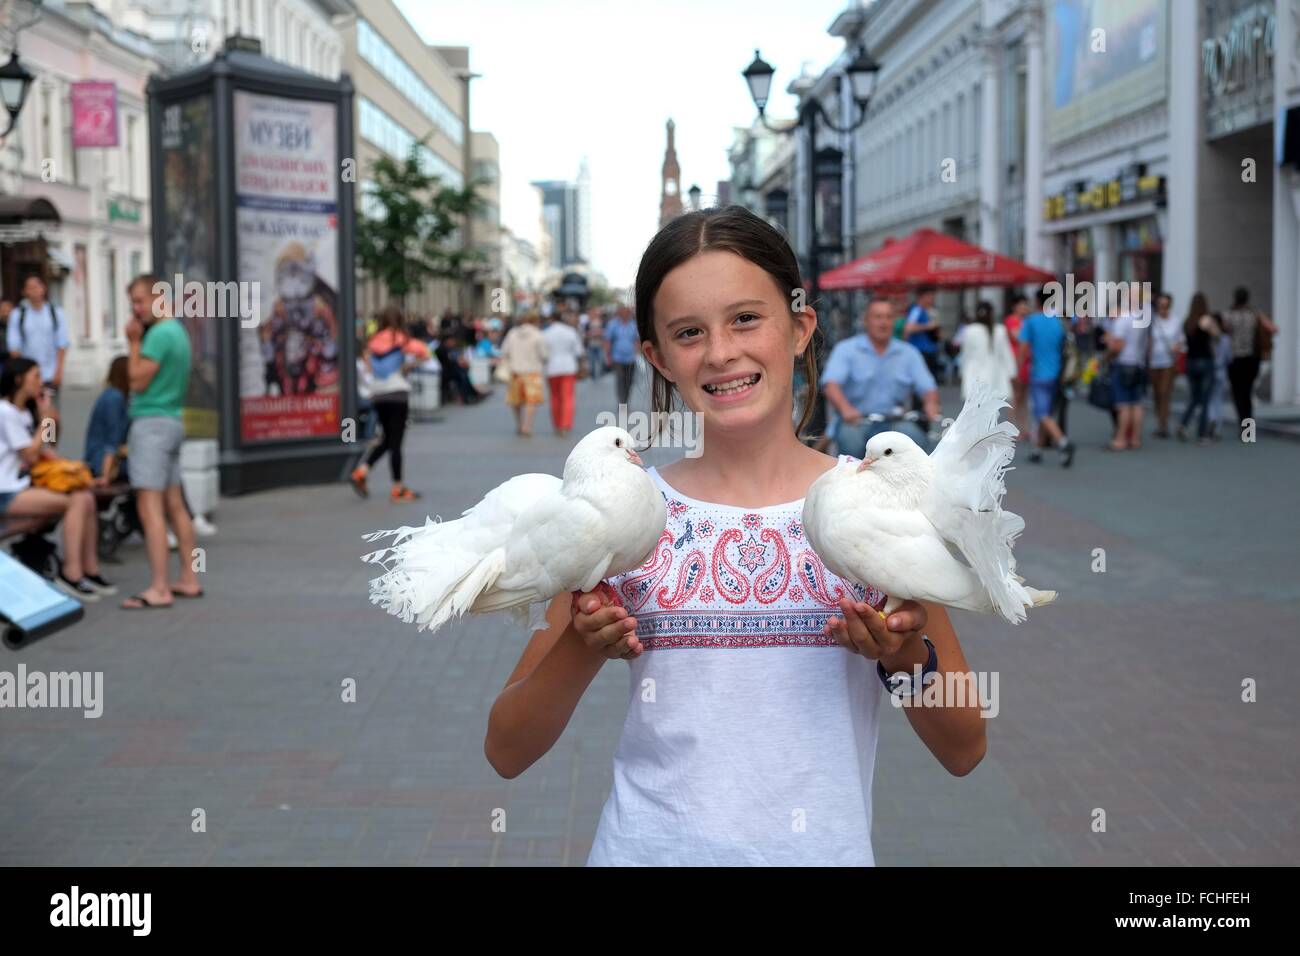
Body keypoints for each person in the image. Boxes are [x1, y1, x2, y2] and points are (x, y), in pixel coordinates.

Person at [484, 205, 984, 866]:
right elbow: (507, 748)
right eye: (689, 332)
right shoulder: (624, 515)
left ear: (800, 327)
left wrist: (899, 659)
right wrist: (583, 641)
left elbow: (963, 746)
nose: (721, 352)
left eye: (746, 318)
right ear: (657, 357)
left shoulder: (875, 510)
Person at [0, 357, 113, 600]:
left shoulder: (23, 413)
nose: (41, 382)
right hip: (6, 491)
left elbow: (47, 447)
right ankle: (71, 574)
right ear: (19, 380)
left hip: (20, 486)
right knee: (76, 502)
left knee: (85, 496)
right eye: (36, 377)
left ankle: (89, 570)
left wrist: (49, 419)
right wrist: (45, 419)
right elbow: (30, 455)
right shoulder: (5, 412)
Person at [119, 274, 201, 609]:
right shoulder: (178, 331)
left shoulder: (158, 336)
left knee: (149, 507)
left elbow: (136, 381)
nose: (136, 311)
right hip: (171, 420)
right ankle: (189, 578)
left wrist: (133, 344)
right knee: (175, 505)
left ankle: (159, 587)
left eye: (139, 301)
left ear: (158, 296)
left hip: (151, 424)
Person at [820, 296, 940, 457]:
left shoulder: (909, 353)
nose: (883, 322)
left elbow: (927, 386)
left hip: (895, 421)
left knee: (921, 446)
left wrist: (930, 404)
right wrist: (845, 408)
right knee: (851, 445)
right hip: (856, 421)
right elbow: (831, 384)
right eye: (878, 317)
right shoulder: (846, 349)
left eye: (888, 317)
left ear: (894, 321)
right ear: (866, 321)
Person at [350, 304, 429, 502]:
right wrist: (407, 366)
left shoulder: (373, 340)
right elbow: (425, 352)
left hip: (378, 394)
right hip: (397, 392)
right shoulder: (401, 338)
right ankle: (397, 487)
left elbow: (369, 367)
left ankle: (362, 470)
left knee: (387, 438)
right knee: (396, 442)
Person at [1017, 288, 1075, 466]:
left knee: (1042, 414)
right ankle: (1037, 449)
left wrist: (1019, 370)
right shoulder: (1060, 322)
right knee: (1045, 412)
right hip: (1058, 373)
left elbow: (1023, 348)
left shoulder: (1032, 321)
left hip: (1040, 373)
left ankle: (1063, 443)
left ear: (1037, 301)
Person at [1218, 286, 1278, 429]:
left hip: (1234, 360)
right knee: (1247, 392)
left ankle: (1243, 423)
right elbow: (1273, 328)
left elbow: (1221, 332)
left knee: (1238, 393)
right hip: (1252, 359)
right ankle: (1248, 427)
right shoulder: (1255, 314)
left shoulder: (1228, 315)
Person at [6, 274, 69, 406]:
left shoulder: (55, 313)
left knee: (50, 415)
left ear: (43, 288)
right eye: (30, 287)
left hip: (50, 374)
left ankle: (48, 427)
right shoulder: (18, 315)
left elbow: (62, 344)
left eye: (37, 286)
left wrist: (59, 371)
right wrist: (22, 374)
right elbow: (14, 347)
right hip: (29, 377)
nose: (34, 290)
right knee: (31, 413)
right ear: (24, 292)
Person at [1104, 291, 1151, 451]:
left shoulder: (1123, 321)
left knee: (1123, 405)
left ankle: (1121, 438)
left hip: (1123, 363)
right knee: (1137, 404)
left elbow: (1118, 346)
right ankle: (1135, 439)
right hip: (1139, 364)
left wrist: (1107, 355)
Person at [1177, 292, 1221, 445]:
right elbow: (1217, 336)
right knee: (1205, 399)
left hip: (1191, 362)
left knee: (1195, 398)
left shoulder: (1187, 322)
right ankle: (1203, 434)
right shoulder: (1206, 320)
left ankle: (1183, 424)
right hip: (1205, 361)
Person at [498, 312, 549, 437]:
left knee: (516, 400)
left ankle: (519, 424)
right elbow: (544, 355)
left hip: (515, 372)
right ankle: (527, 426)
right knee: (530, 401)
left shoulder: (512, 333)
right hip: (532, 372)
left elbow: (504, 351)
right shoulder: (538, 335)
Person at [83, 356, 132, 483]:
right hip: (102, 463)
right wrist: (105, 475)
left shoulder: (114, 396)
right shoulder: (114, 398)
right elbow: (112, 440)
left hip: (102, 460)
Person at [959, 301, 1017, 402]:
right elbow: (1006, 353)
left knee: (976, 408)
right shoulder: (1000, 330)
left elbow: (965, 354)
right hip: (995, 372)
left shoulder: (970, 330)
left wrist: (962, 372)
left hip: (974, 373)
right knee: (992, 409)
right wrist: (1012, 372)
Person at [1147, 292, 1183, 438]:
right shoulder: (1152, 321)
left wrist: (1177, 346)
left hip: (1169, 362)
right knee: (1156, 393)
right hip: (1154, 361)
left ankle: (1163, 425)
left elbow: (1181, 339)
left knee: (1164, 392)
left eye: (1165, 306)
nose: (1163, 308)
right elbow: (1148, 341)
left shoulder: (1175, 321)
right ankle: (1159, 421)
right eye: (1160, 305)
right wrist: (1147, 360)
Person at [542, 312, 583, 437]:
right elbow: (579, 351)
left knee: (554, 397)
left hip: (552, 368)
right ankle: (566, 424)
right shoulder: (570, 332)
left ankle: (557, 424)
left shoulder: (546, 333)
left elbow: (543, 353)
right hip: (568, 367)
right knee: (567, 397)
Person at [1002, 293, 1032, 439]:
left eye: (1026, 304)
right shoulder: (1012, 320)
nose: (1025, 308)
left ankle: (1024, 428)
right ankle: (1012, 428)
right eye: (1022, 305)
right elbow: (1018, 338)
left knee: (1023, 397)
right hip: (1015, 361)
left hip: (1026, 361)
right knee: (1016, 396)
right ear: (1014, 306)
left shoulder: (1026, 322)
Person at [901, 285, 943, 380]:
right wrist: (928, 326)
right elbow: (908, 328)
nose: (932, 299)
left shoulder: (929, 311)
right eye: (931, 296)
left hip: (930, 350)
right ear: (923, 297)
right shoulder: (916, 310)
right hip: (920, 351)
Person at [604, 306, 639, 406]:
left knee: (629, 381)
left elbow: (636, 340)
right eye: (622, 313)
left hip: (631, 357)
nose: (625, 315)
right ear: (619, 314)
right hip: (617, 357)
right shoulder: (613, 324)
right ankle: (622, 402)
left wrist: (637, 352)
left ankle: (626, 400)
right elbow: (608, 341)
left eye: (626, 313)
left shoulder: (633, 324)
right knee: (620, 380)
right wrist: (607, 355)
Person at [584, 309, 605, 380]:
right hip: (591, 345)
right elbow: (586, 334)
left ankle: (601, 373)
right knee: (592, 361)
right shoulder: (587, 323)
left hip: (600, 344)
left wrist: (595, 333)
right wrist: (594, 333)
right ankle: (593, 375)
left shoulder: (601, 322)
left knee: (601, 360)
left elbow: (604, 332)